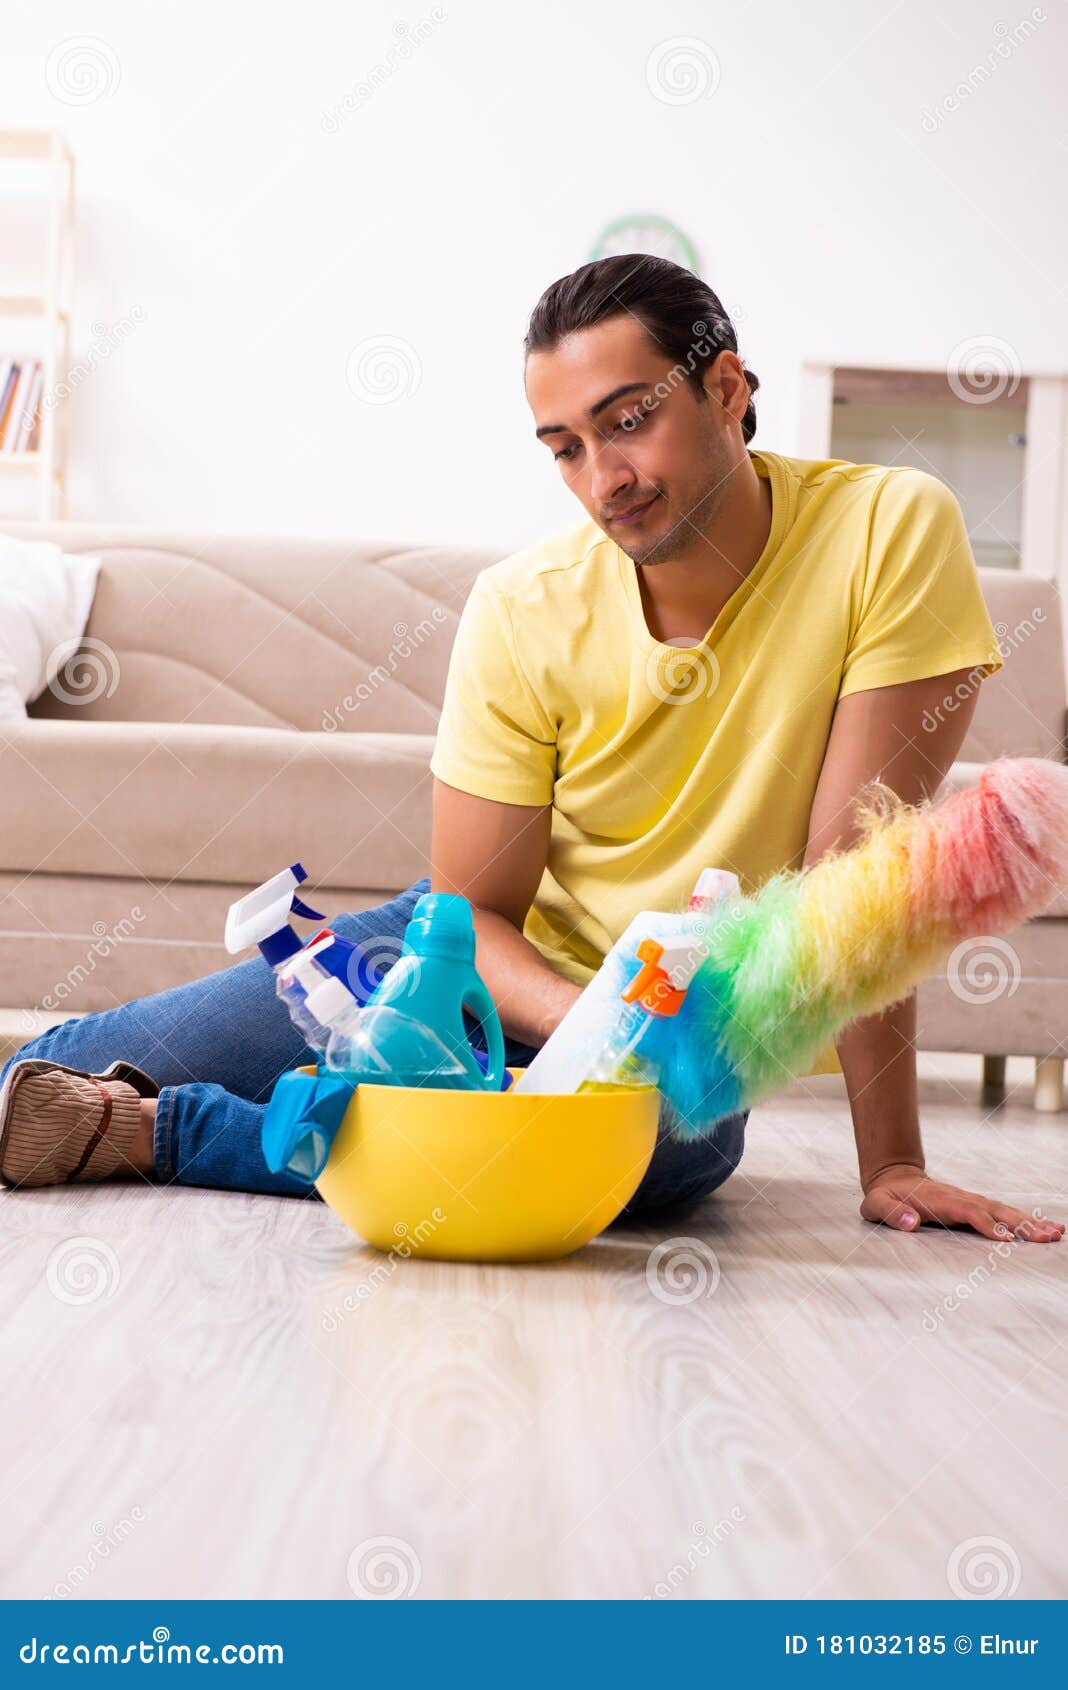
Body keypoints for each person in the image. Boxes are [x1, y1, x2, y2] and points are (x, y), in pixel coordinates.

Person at [1, 254, 1062, 1243]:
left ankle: (161, 1131)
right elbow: (470, 920)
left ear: (728, 388)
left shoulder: (888, 532)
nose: (605, 476)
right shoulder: (520, 608)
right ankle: (132, 1105)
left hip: (679, 1060)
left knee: (643, 1162)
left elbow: (857, 893)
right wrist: (593, 1022)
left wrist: (894, 1162)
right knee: (45, 1072)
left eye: (629, 421)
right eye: (565, 448)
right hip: (483, 981)